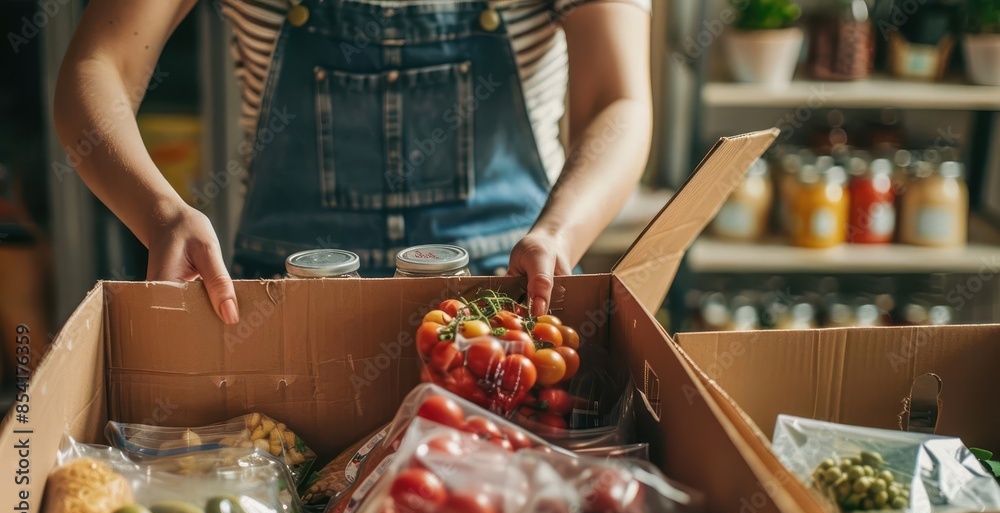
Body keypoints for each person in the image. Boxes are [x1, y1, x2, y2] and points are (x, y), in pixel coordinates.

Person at [54, 0, 652, 324]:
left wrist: (559, 231)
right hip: (279, 304)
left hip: (502, 295)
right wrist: (160, 213)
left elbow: (617, 101)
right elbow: (99, 65)